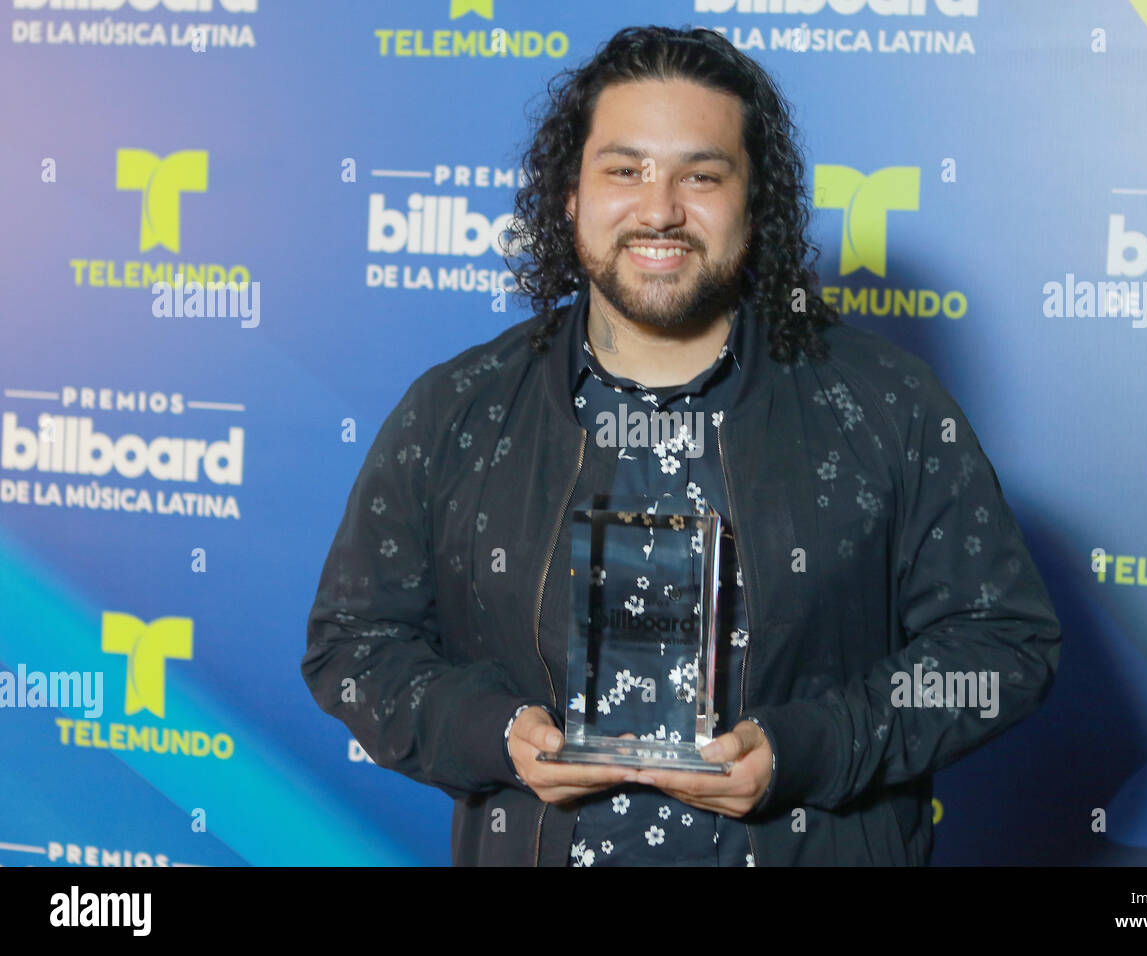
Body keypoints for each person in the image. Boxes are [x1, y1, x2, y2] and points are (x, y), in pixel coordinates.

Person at [301, 25, 1062, 866]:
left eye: (701, 175)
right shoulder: (458, 409)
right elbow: (355, 646)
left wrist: (816, 745)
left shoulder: (886, 403)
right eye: (624, 171)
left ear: (754, 201)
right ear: (570, 194)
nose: (659, 209)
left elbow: (1003, 649)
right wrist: (496, 732)